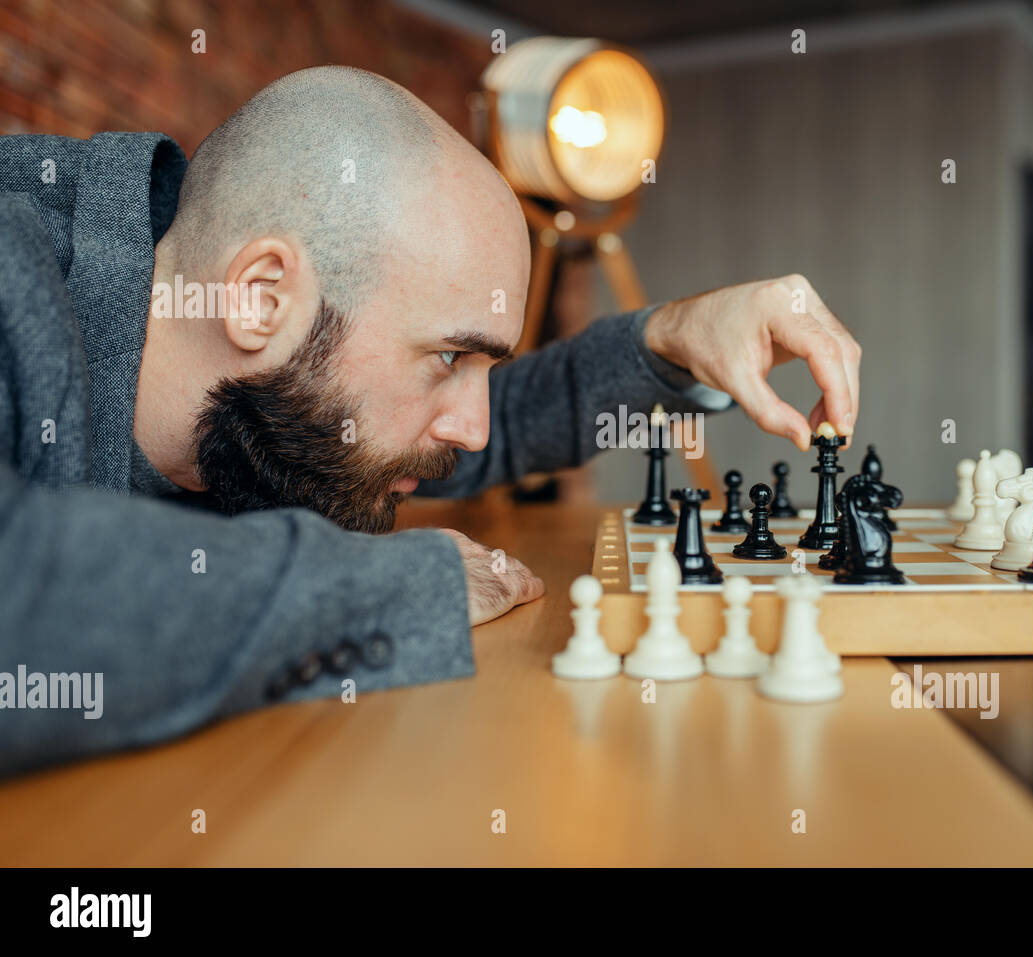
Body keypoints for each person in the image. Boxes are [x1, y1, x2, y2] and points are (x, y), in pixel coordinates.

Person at [0, 66, 860, 776]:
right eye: (451, 357)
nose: (477, 430)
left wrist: (666, 341)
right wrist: (393, 585)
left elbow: (431, 435)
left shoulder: (258, 393)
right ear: (261, 297)